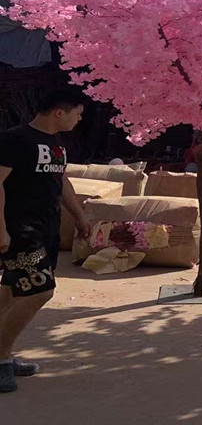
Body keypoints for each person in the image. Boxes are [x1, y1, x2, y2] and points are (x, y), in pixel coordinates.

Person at [0, 88, 90, 394]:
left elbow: (61, 181)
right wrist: (0, 229)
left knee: (12, 293)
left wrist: (79, 216)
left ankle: (4, 353)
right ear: (59, 113)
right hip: (20, 232)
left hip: (47, 229)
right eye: (77, 114)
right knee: (40, 291)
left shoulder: (55, 144)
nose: (80, 119)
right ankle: (1, 360)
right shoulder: (15, 140)